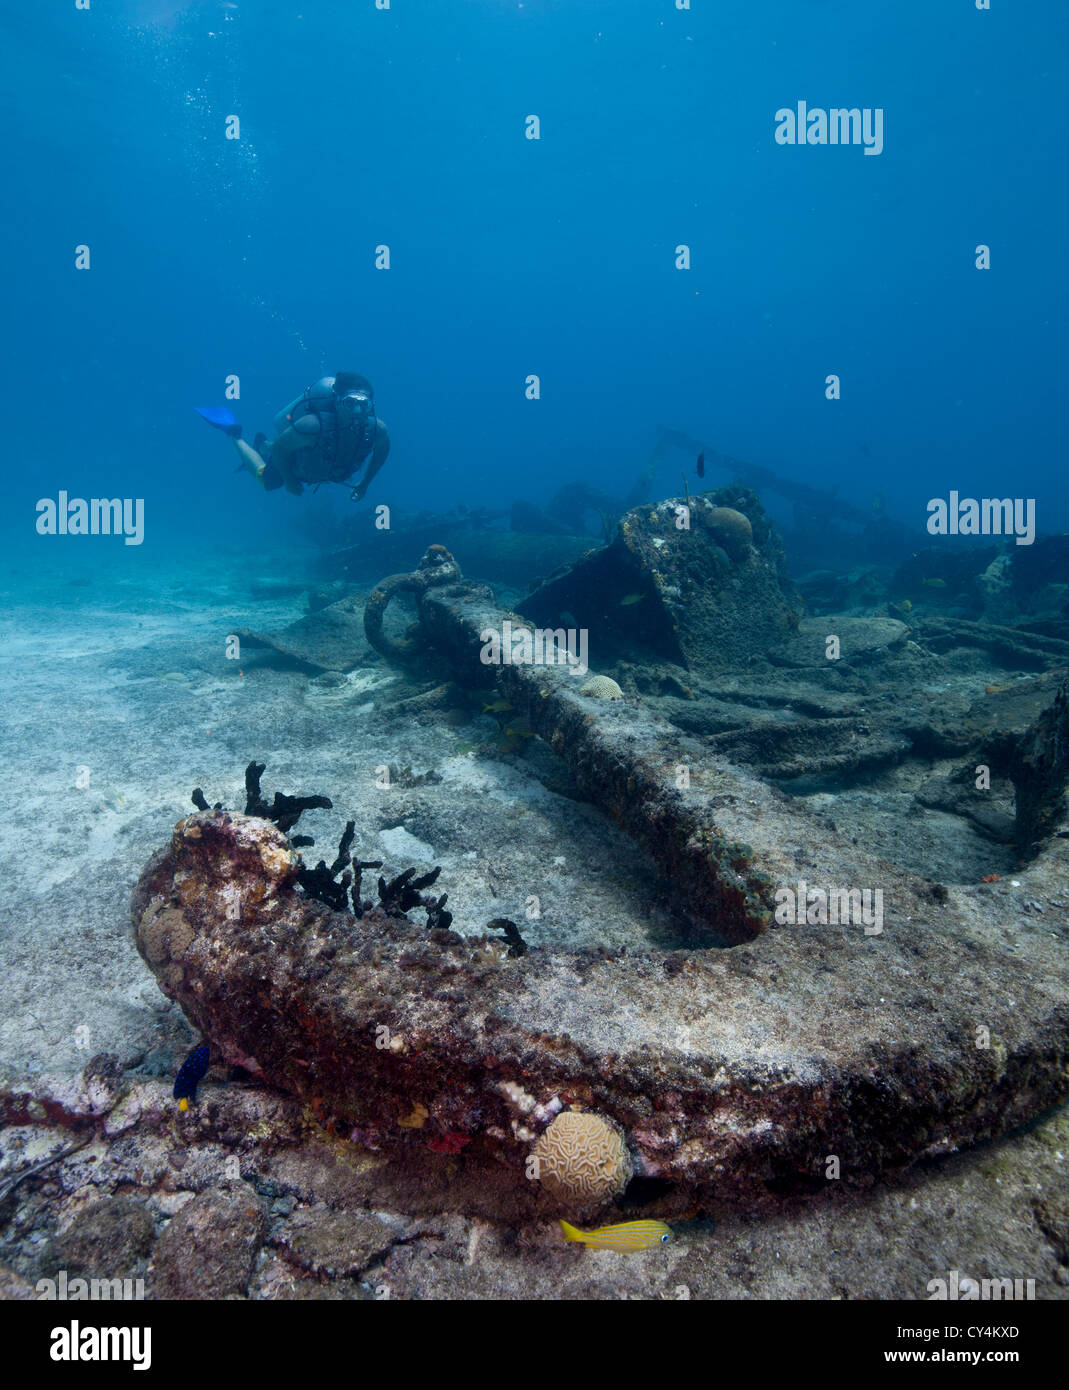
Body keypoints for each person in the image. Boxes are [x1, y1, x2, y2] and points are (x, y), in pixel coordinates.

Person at [196, 372, 390, 500]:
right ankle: (233, 432)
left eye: (363, 405)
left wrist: (365, 483)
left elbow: (381, 454)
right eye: (350, 403)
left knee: (289, 444)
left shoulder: (377, 430)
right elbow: (281, 449)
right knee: (269, 481)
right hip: (294, 460)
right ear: (338, 402)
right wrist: (288, 480)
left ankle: (263, 445)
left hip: (308, 453)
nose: (357, 412)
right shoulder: (312, 426)